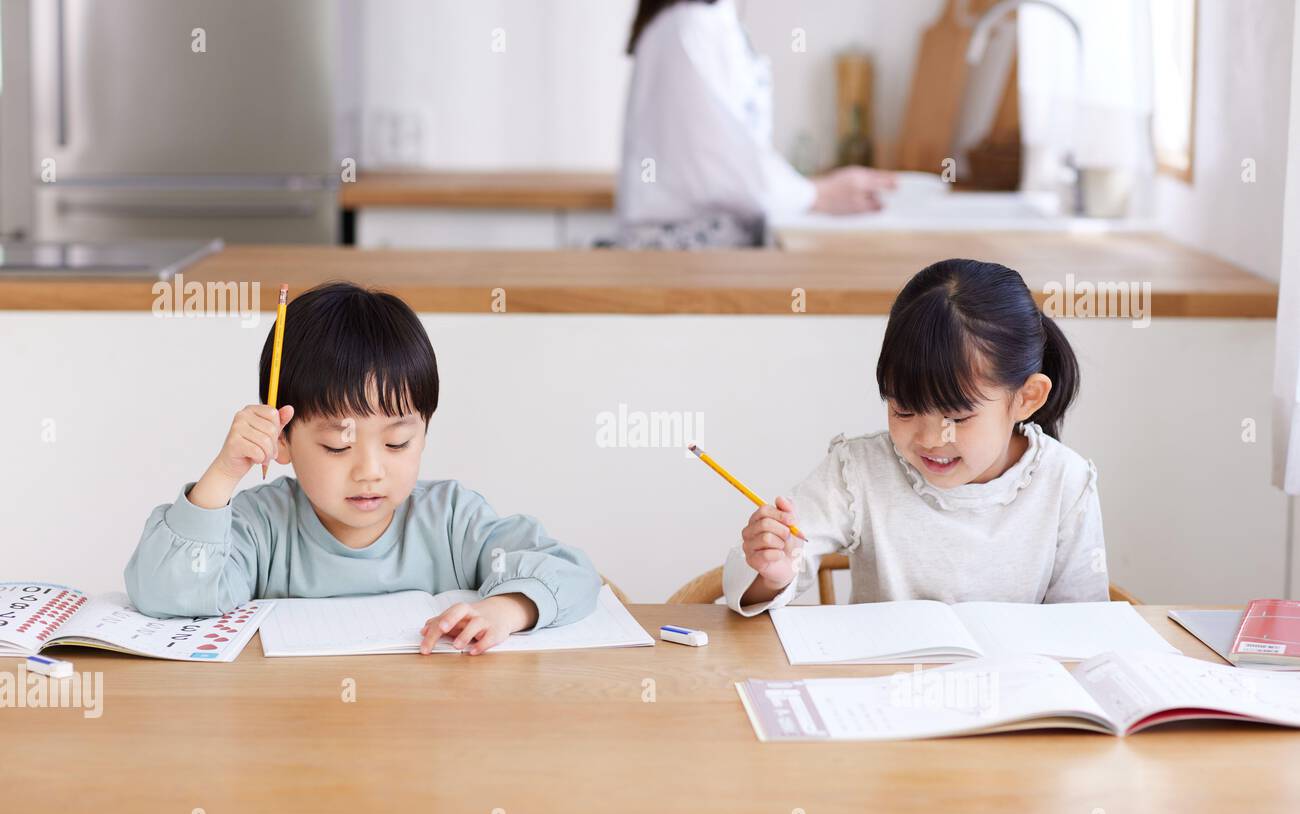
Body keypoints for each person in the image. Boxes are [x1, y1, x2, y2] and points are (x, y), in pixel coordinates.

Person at [124, 282, 602, 655]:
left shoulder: (453, 520)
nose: (370, 470)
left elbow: (570, 572)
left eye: (397, 442)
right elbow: (168, 594)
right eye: (337, 445)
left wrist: (507, 608)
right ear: (284, 438)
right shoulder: (262, 526)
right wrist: (225, 474)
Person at [724, 258, 1108, 614]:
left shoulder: (1065, 483)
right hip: (882, 684)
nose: (928, 439)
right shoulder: (858, 472)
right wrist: (773, 572)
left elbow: (1085, 627)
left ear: (1026, 399)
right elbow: (757, 584)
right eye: (903, 410)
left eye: (957, 417)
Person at [617, 0, 896, 248]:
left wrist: (810, 191)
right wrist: (816, 195)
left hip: (696, 245)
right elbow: (723, 163)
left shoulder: (703, 18)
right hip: (686, 254)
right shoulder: (692, 23)